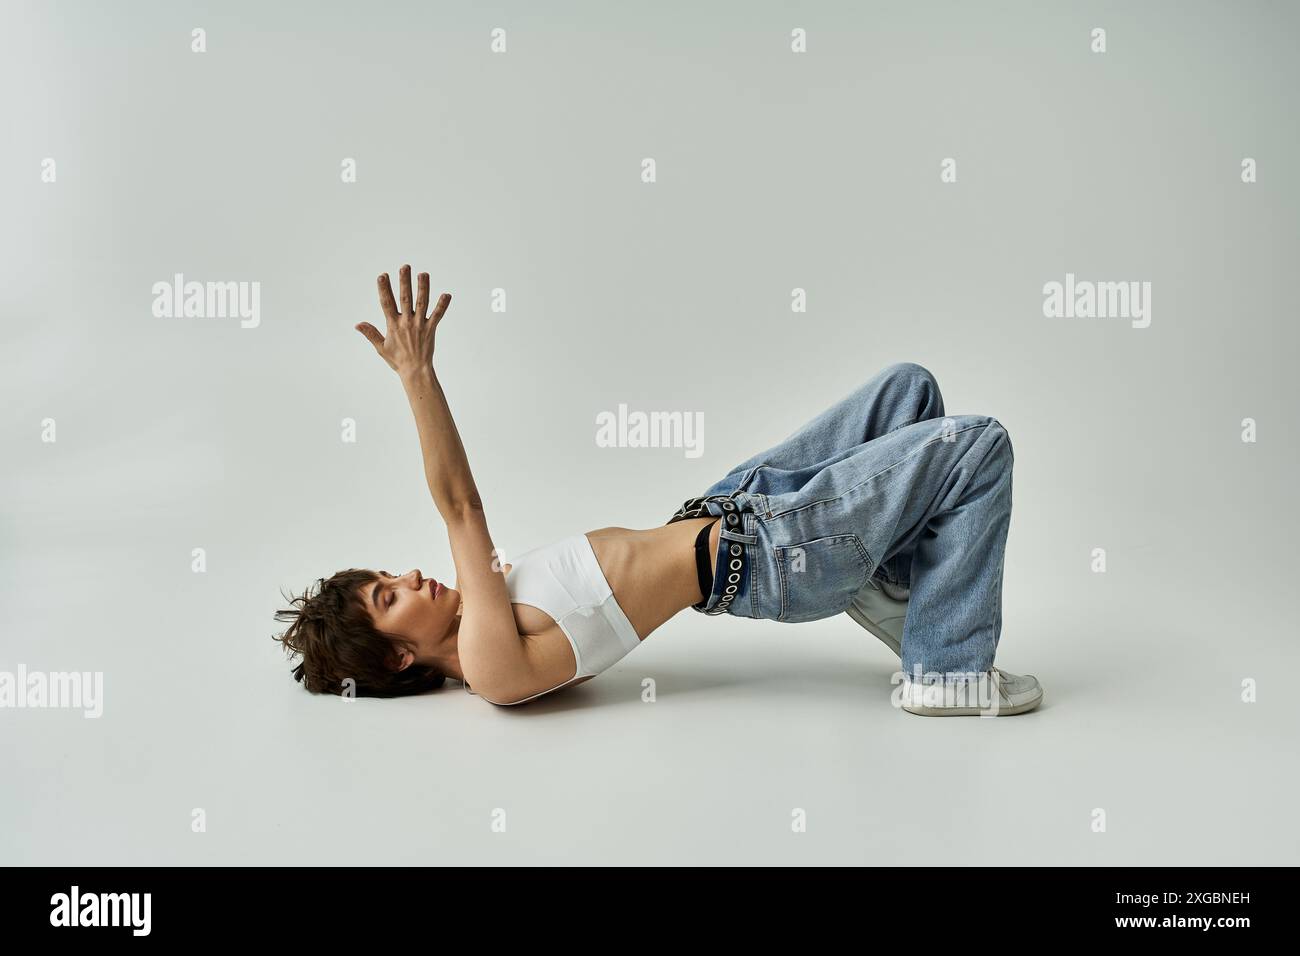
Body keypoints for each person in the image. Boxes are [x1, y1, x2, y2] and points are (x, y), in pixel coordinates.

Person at [272, 265, 1044, 717]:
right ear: (403, 657)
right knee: (975, 445)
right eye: (388, 598)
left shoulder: (487, 613)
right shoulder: (489, 665)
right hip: (773, 552)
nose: (406, 577)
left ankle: (888, 591)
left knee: (908, 391)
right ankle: (945, 670)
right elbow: (461, 506)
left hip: (734, 505)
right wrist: (417, 375)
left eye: (385, 576)